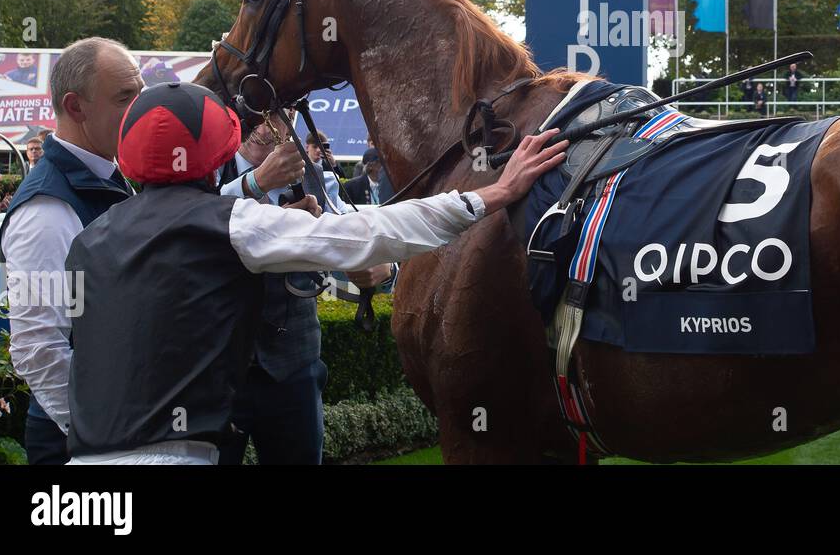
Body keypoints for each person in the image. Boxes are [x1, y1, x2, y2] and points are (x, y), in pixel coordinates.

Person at [62, 81, 566, 464]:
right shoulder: (232, 223)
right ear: (217, 153)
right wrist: (492, 194)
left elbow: (54, 351)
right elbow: (370, 232)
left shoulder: (89, 239)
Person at [0, 37, 142, 464]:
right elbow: (38, 347)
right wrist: (100, 435)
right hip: (82, 441)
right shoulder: (47, 208)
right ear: (76, 107)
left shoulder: (109, 173)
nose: (140, 110)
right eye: (125, 98)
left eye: (140, 94)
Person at [215, 111, 343, 465]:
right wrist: (254, 183)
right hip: (218, 367)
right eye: (253, 115)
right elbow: (188, 219)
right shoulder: (206, 168)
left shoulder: (312, 174)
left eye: (276, 117)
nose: (263, 126)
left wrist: (380, 270)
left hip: (293, 362)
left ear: (291, 123)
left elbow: (349, 235)